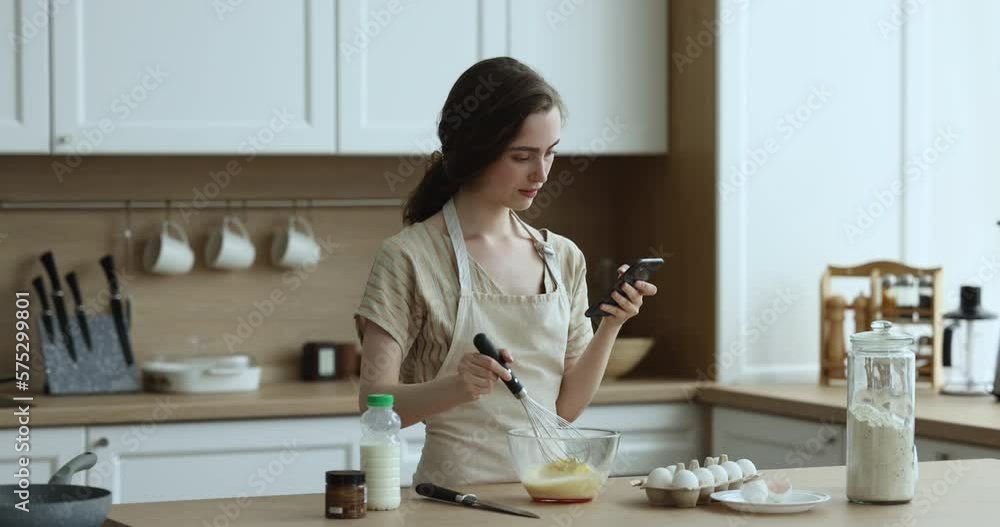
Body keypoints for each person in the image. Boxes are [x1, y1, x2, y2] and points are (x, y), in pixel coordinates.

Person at [353, 57, 657, 487]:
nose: (541, 173)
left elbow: (563, 410)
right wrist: (458, 386)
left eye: (550, 153)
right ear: (475, 151)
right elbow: (373, 404)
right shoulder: (410, 257)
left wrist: (612, 324)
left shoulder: (563, 258)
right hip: (450, 502)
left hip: (549, 492)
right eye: (522, 156)